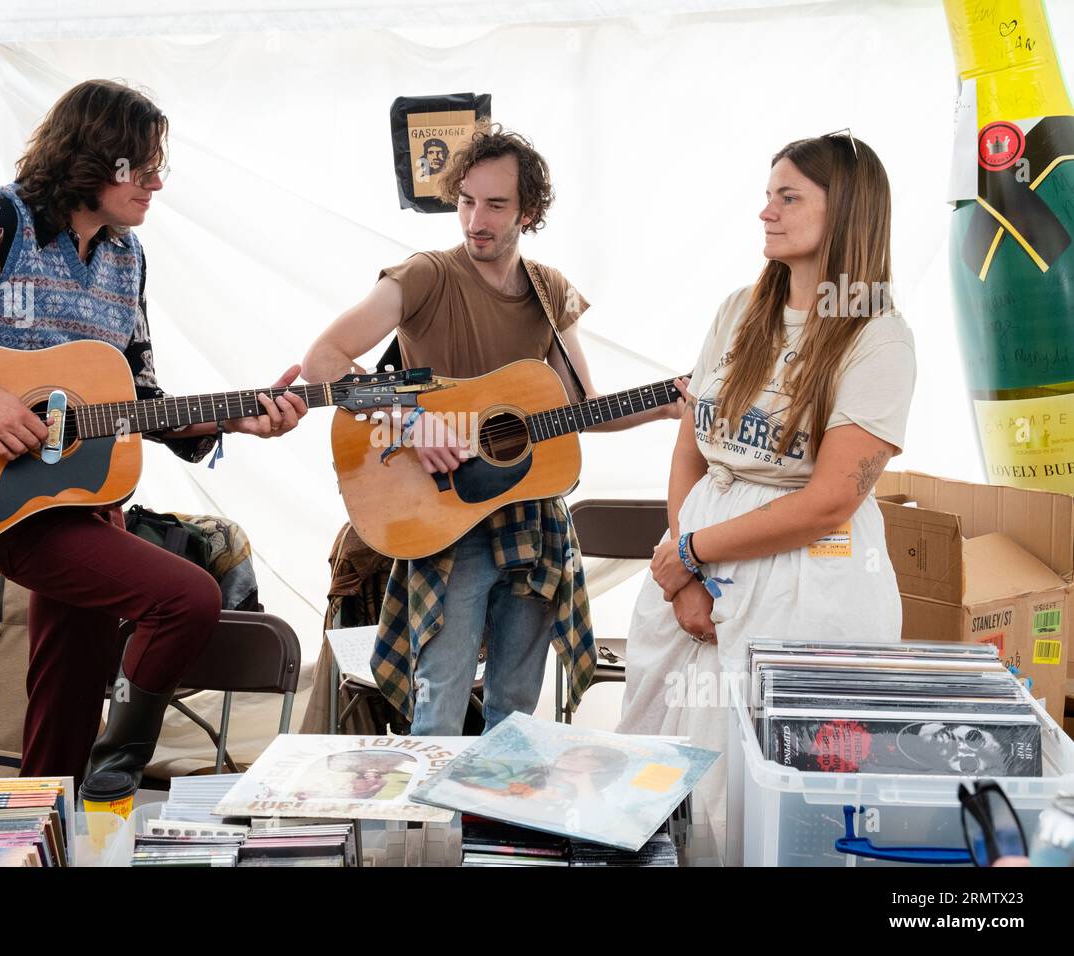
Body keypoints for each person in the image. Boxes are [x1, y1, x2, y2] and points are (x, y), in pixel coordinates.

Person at [0, 79, 308, 788]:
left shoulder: (125, 258)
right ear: (91, 157)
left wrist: (235, 419)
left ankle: (50, 822)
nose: (157, 183)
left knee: (65, 700)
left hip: (84, 498)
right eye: (143, 165)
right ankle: (115, 773)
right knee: (185, 598)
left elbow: (140, 400)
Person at [303, 124, 688, 737]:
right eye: (466, 201)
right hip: (448, 519)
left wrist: (671, 401)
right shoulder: (424, 276)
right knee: (441, 706)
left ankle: (500, 827)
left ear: (528, 212)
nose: (475, 220)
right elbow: (323, 360)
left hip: (528, 515)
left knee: (515, 713)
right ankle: (436, 834)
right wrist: (409, 418)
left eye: (496, 205)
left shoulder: (549, 292)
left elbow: (584, 407)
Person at [617, 131, 916, 855]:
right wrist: (685, 574)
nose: (766, 213)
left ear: (844, 213)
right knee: (661, 785)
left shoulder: (879, 338)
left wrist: (691, 550)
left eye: (788, 197)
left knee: (781, 796)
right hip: (695, 564)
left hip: (805, 585)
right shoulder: (738, 310)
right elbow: (692, 442)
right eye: (767, 195)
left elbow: (828, 503)